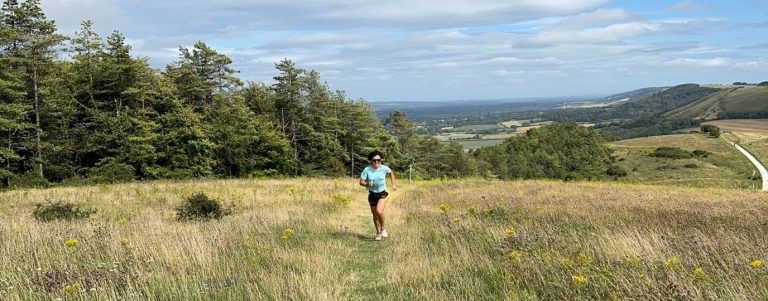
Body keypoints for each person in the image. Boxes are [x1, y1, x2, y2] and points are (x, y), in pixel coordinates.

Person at [359, 150, 397, 241]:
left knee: (379, 211)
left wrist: (393, 184)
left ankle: (383, 229)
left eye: (378, 160)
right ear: (371, 161)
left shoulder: (384, 168)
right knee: (375, 215)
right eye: (374, 160)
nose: (376, 162)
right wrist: (367, 183)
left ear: (381, 160)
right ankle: (378, 233)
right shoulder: (367, 170)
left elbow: (391, 172)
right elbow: (361, 182)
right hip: (372, 194)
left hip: (383, 193)